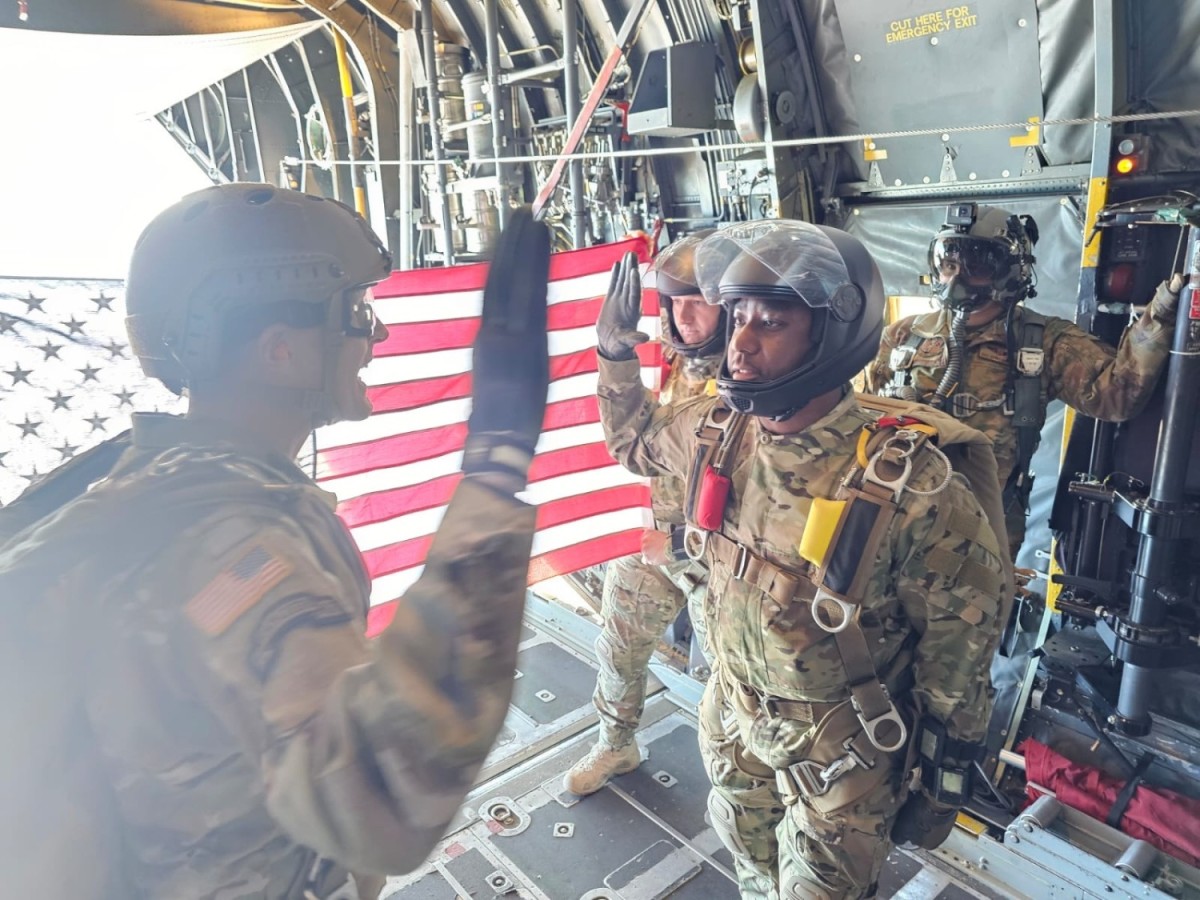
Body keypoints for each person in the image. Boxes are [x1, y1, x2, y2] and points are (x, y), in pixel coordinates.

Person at [0, 184, 551, 899]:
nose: (375, 336)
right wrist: (499, 464)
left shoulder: (146, 477)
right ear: (280, 351)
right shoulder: (237, 546)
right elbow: (383, 802)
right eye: (356, 313)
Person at [595, 220, 1007, 899]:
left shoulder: (914, 488)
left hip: (841, 758)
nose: (741, 345)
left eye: (772, 323)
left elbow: (958, 666)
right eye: (738, 319)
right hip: (733, 722)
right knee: (753, 869)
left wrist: (937, 780)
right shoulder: (715, 430)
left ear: (830, 335)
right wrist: (614, 352)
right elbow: (635, 443)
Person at [865, 203, 1180, 558]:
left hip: (977, 534)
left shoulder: (1043, 340)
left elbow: (1116, 396)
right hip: (891, 517)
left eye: (976, 266)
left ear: (1010, 273)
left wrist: (1164, 310)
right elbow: (867, 419)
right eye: (949, 264)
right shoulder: (904, 334)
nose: (957, 278)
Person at [565, 232, 725, 795]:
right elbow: (634, 441)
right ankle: (616, 744)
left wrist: (685, 546)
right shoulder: (673, 361)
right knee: (617, 652)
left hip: (721, 561)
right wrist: (614, 355)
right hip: (653, 542)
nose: (684, 317)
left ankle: (742, 795)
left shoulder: (765, 378)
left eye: (698, 300)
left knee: (731, 685)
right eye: (674, 302)